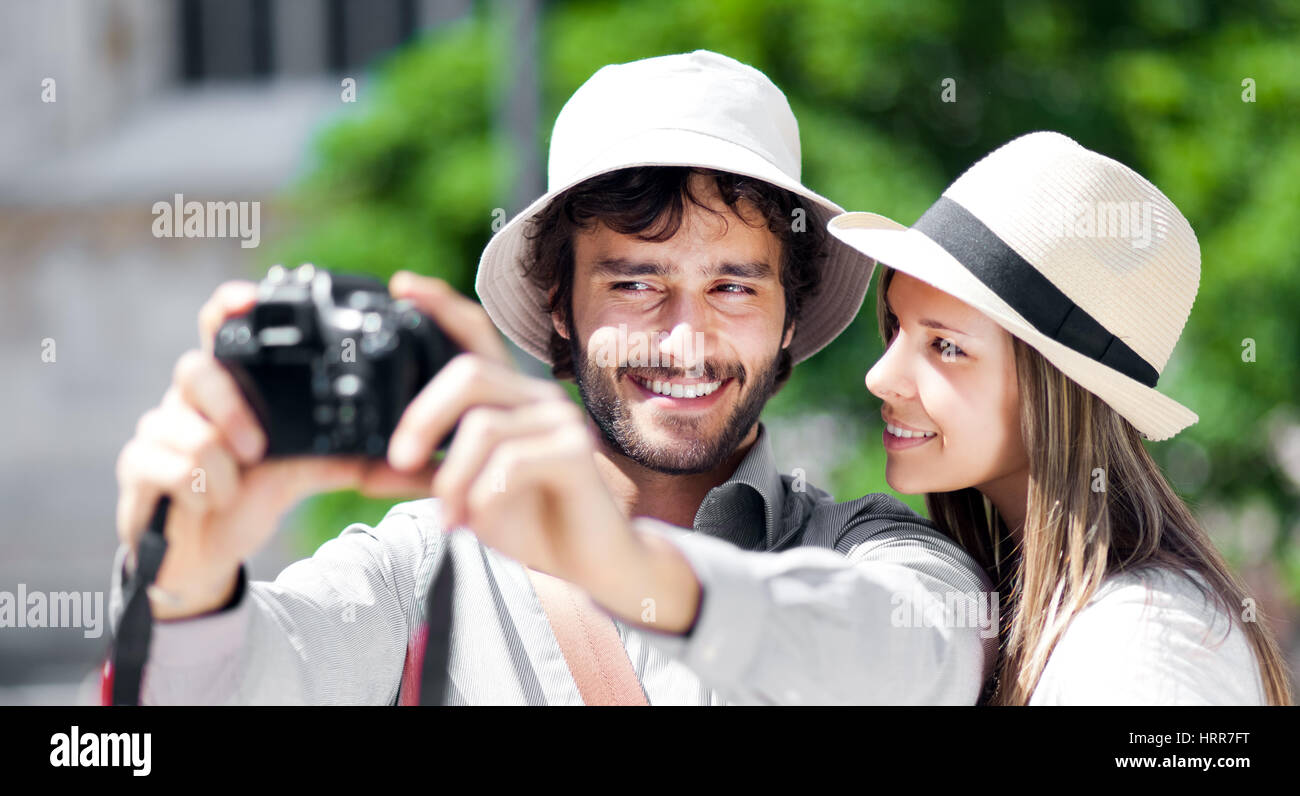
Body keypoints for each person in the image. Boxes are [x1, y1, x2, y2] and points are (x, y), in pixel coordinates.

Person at [108, 50, 995, 706]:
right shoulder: (423, 560)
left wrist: (622, 562)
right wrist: (186, 581)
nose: (685, 342)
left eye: (732, 286)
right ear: (560, 306)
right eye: (635, 283)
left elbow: (922, 656)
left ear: (790, 315)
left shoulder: (873, 550)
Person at [827, 130, 1293, 705]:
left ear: (1057, 388)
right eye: (896, 327)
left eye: (946, 346)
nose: (880, 376)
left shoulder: (1146, 641)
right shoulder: (1014, 601)